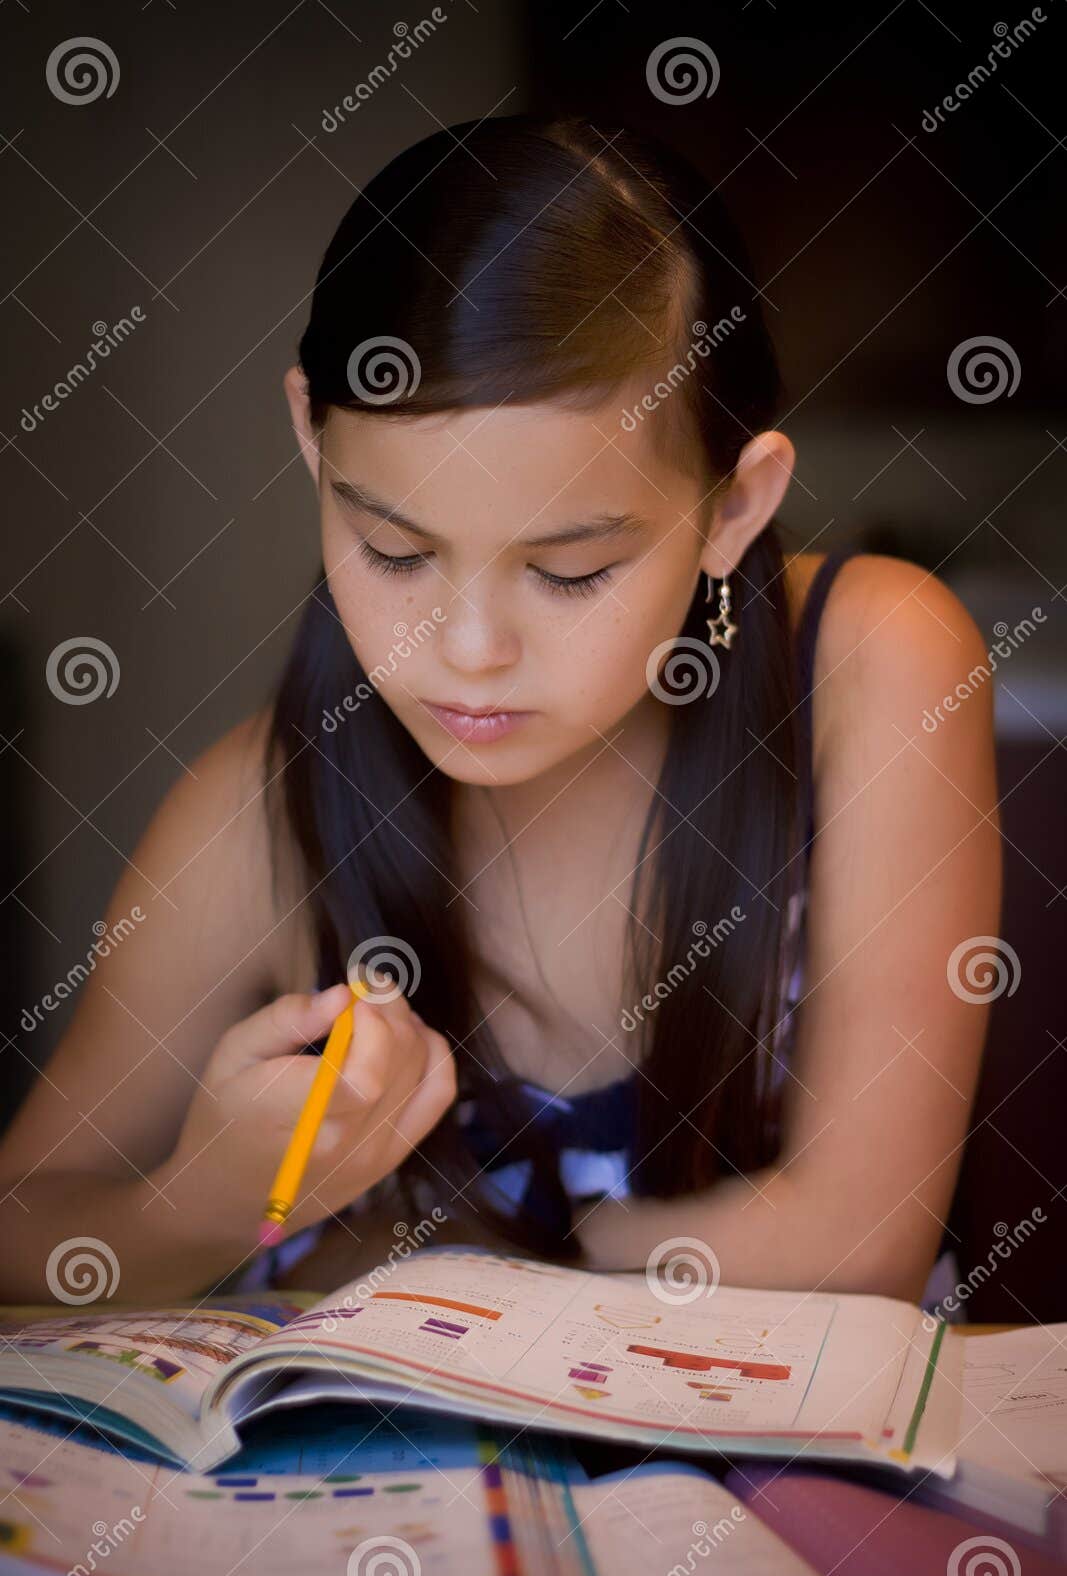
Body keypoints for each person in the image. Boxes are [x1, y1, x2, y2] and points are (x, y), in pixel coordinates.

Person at [0, 115, 999, 1307]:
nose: (465, 652)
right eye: (394, 551)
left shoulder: (872, 657)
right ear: (313, 441)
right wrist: (203, 1202)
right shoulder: (261, 807)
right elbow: (26, 1219)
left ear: (732, 506)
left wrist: (419, 1260)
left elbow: (857, 1239)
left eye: (569, 571)